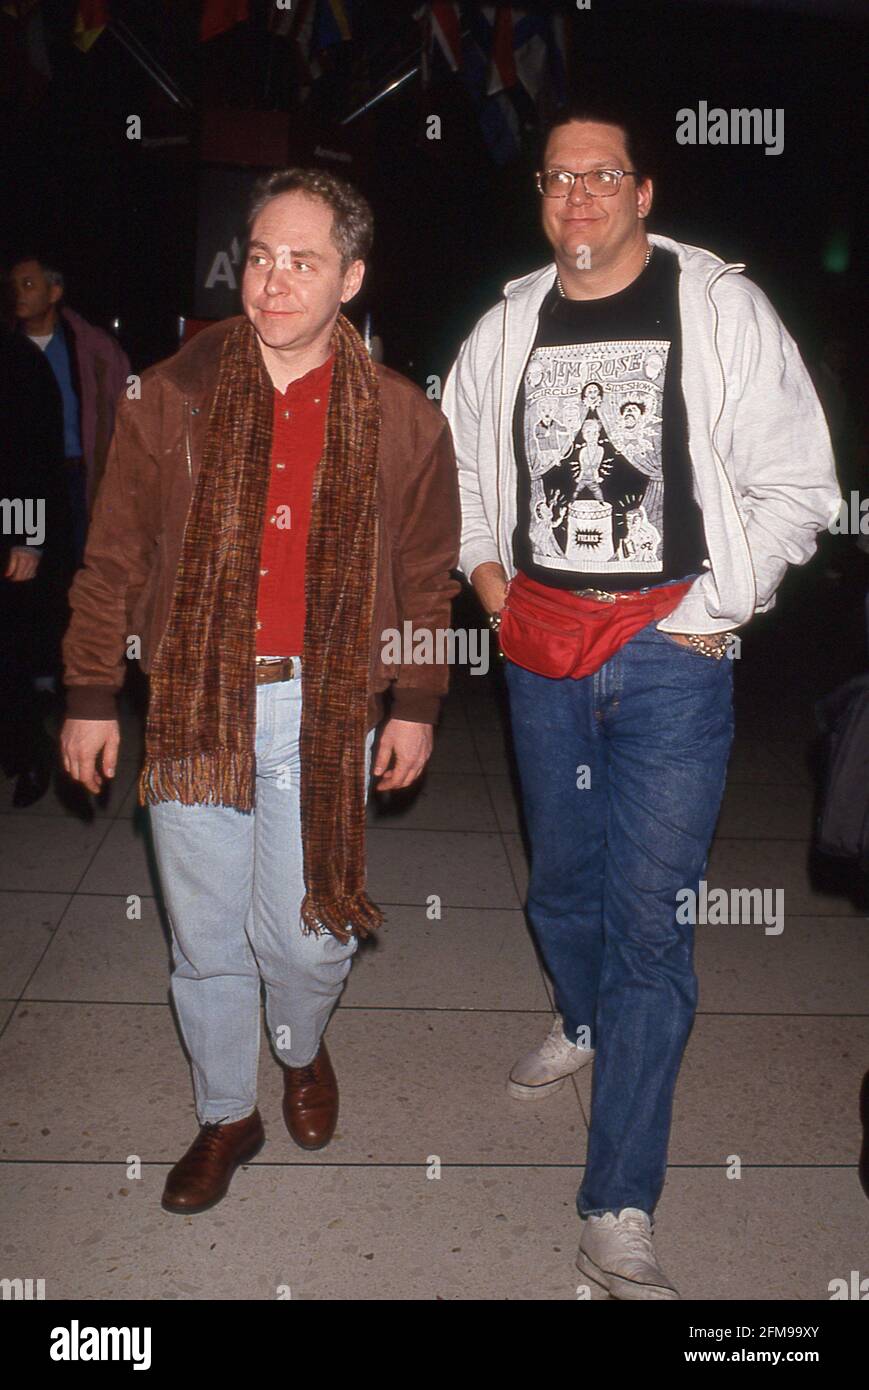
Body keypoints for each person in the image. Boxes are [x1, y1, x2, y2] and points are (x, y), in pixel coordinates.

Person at [442, 104, 839, 1299]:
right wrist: (490, 586)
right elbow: (460, 464)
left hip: (672, 652)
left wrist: (715, 606)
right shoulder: (507, 323)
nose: (577, 198)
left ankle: (617, 1202)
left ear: (642, 191)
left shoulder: (718, 305)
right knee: (563, 883)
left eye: (600, 177)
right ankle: (580, 1013)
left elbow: (799, 484)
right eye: (558, 179)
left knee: (650, 926)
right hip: (540, 647)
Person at [60, 168, 461, 1215]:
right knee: (203, 938)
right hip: (197, 702)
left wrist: (415, 703)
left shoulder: (402, 418)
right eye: (262, 256)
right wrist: (91, 692)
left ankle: (300, 1041)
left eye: (305, 260)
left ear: (352, 277)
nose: (274, 281)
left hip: (323, 709)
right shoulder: (170, 392)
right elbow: (111, 556)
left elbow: (426, 575)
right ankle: (226, 1109)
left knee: (306, 935)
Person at [10, 256, 130, 567]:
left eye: (28, 284)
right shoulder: (11, 352)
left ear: (54, 291)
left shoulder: (93, 348)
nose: (19, 294)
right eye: (14, 286)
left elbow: (129, 404)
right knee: (22, 562)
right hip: (24, 478)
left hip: (77, 475)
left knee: (78, 567)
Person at [0, 323, 66, 805]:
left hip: (8, 528)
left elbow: (33, 458)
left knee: (10, 659)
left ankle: (30, 752)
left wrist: (28, 538)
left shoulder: (17, 360)